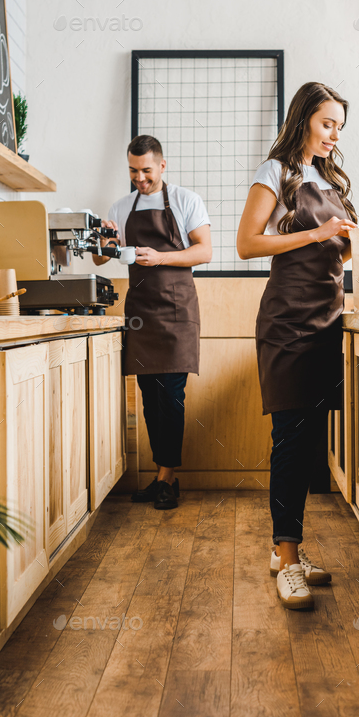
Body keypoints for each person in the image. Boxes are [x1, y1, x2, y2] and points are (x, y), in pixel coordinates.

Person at [237, 82, 359, 610]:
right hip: (287, 322)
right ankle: (286, 561)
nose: (334, 135)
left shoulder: (330, 181)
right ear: (304, 118)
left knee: (307, 444)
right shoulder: (276, 173)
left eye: (339, 128)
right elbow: (247, 244)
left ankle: (287, 548)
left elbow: (340, 252)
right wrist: (314, 233)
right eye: (328, 124)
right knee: (290, 437)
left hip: (328, 319)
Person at [93, 134, 212, 509]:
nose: (139, 178)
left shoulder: (185, 200)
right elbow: (101, 260)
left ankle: (167, 478)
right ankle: (163, 477)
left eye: (146, 170)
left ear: (162, 166)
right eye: (133, 170)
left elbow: (204, 251)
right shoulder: (122, 206)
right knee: (148, 398)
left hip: (176, 313)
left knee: (171, 398)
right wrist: (105, 240)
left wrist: (159, 257)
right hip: (141, 312)